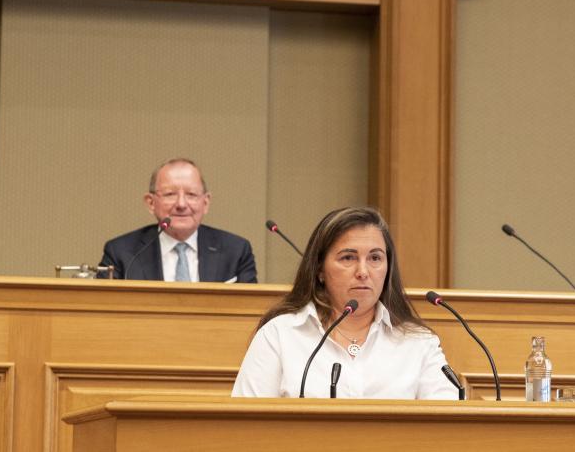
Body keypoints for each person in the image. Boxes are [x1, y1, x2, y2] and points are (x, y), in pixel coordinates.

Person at [232, 206, 455, 399]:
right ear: (319, 269)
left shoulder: (418, 343)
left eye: (375, 258)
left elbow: (450, 428)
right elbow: (243, 427)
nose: (363, 272)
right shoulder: (279, 335)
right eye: (348, 258)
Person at [98, 158, 257, 283]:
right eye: (170, 194)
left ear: (205, 203)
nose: (181, 204)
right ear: (151, 203)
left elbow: (252, 313)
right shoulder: (121, 253)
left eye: (191, 195)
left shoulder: (236, 251)